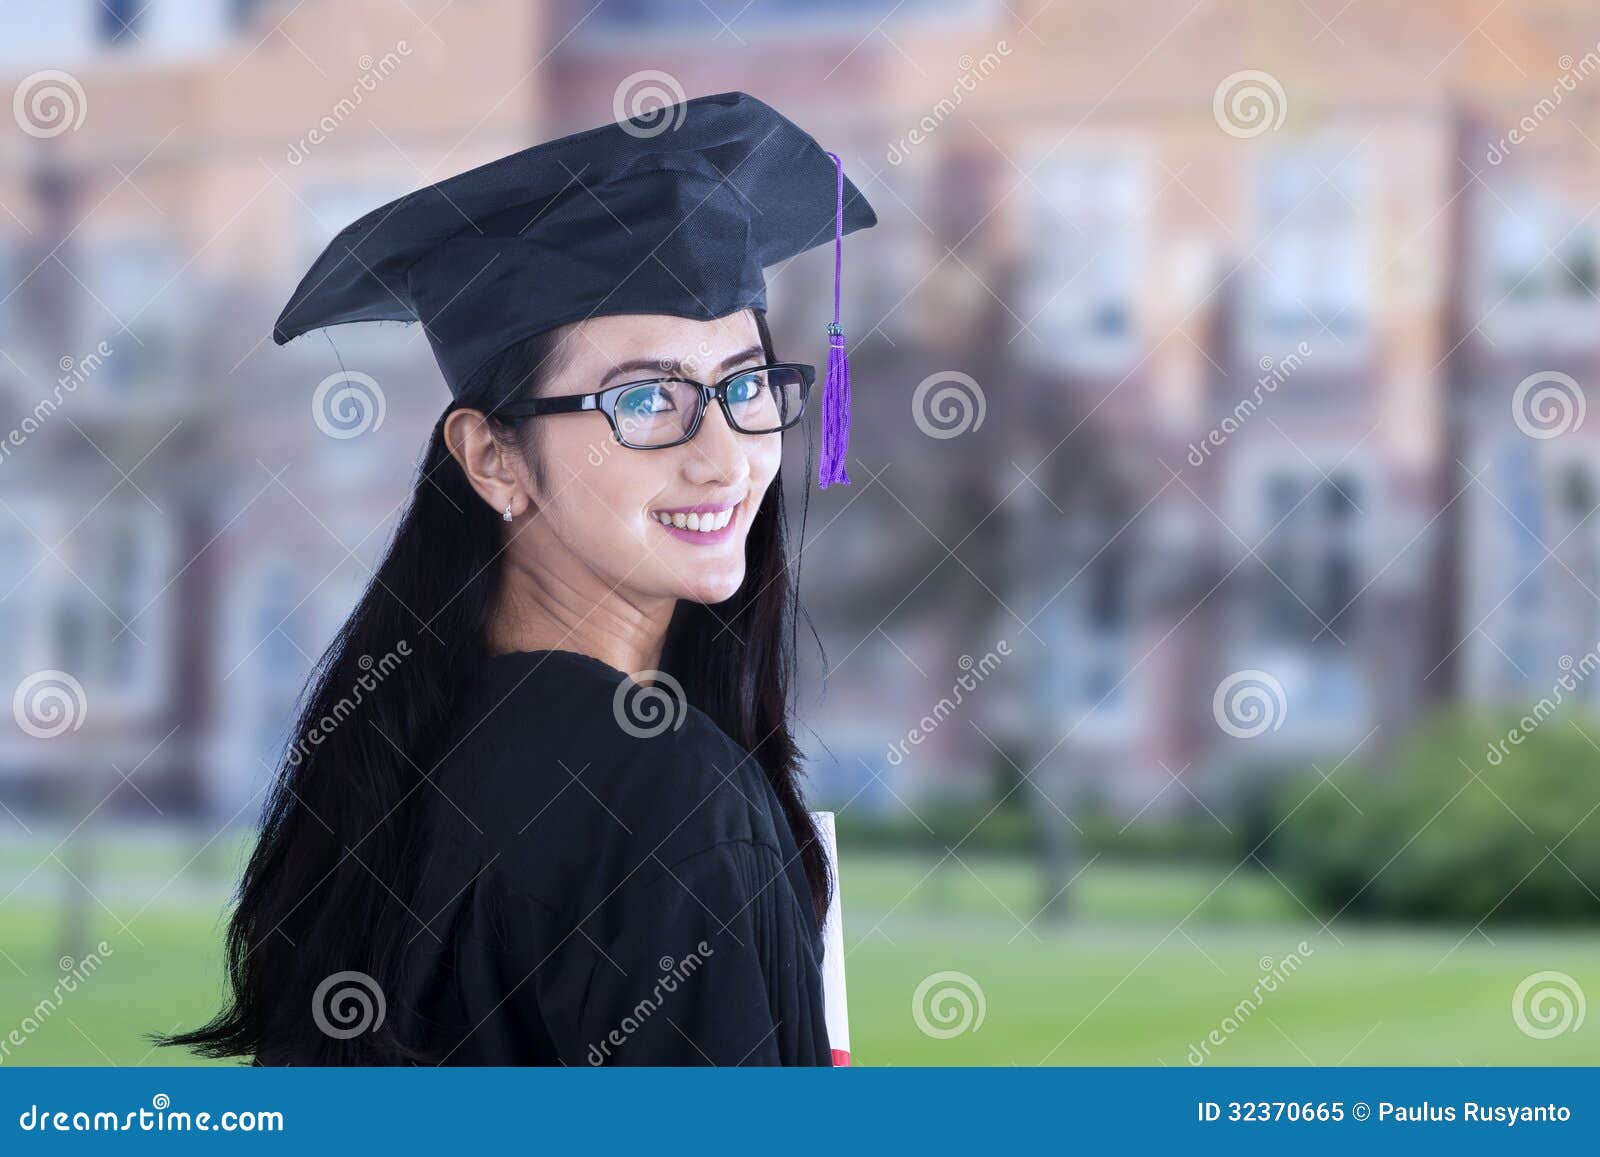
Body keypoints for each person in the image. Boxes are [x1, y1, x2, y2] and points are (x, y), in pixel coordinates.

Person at [161, 91, 877, 1065]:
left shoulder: (399, 750)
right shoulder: (665, 793)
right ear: (492, 455)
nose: (723, 457)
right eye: (647, 398)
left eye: (745, 386)